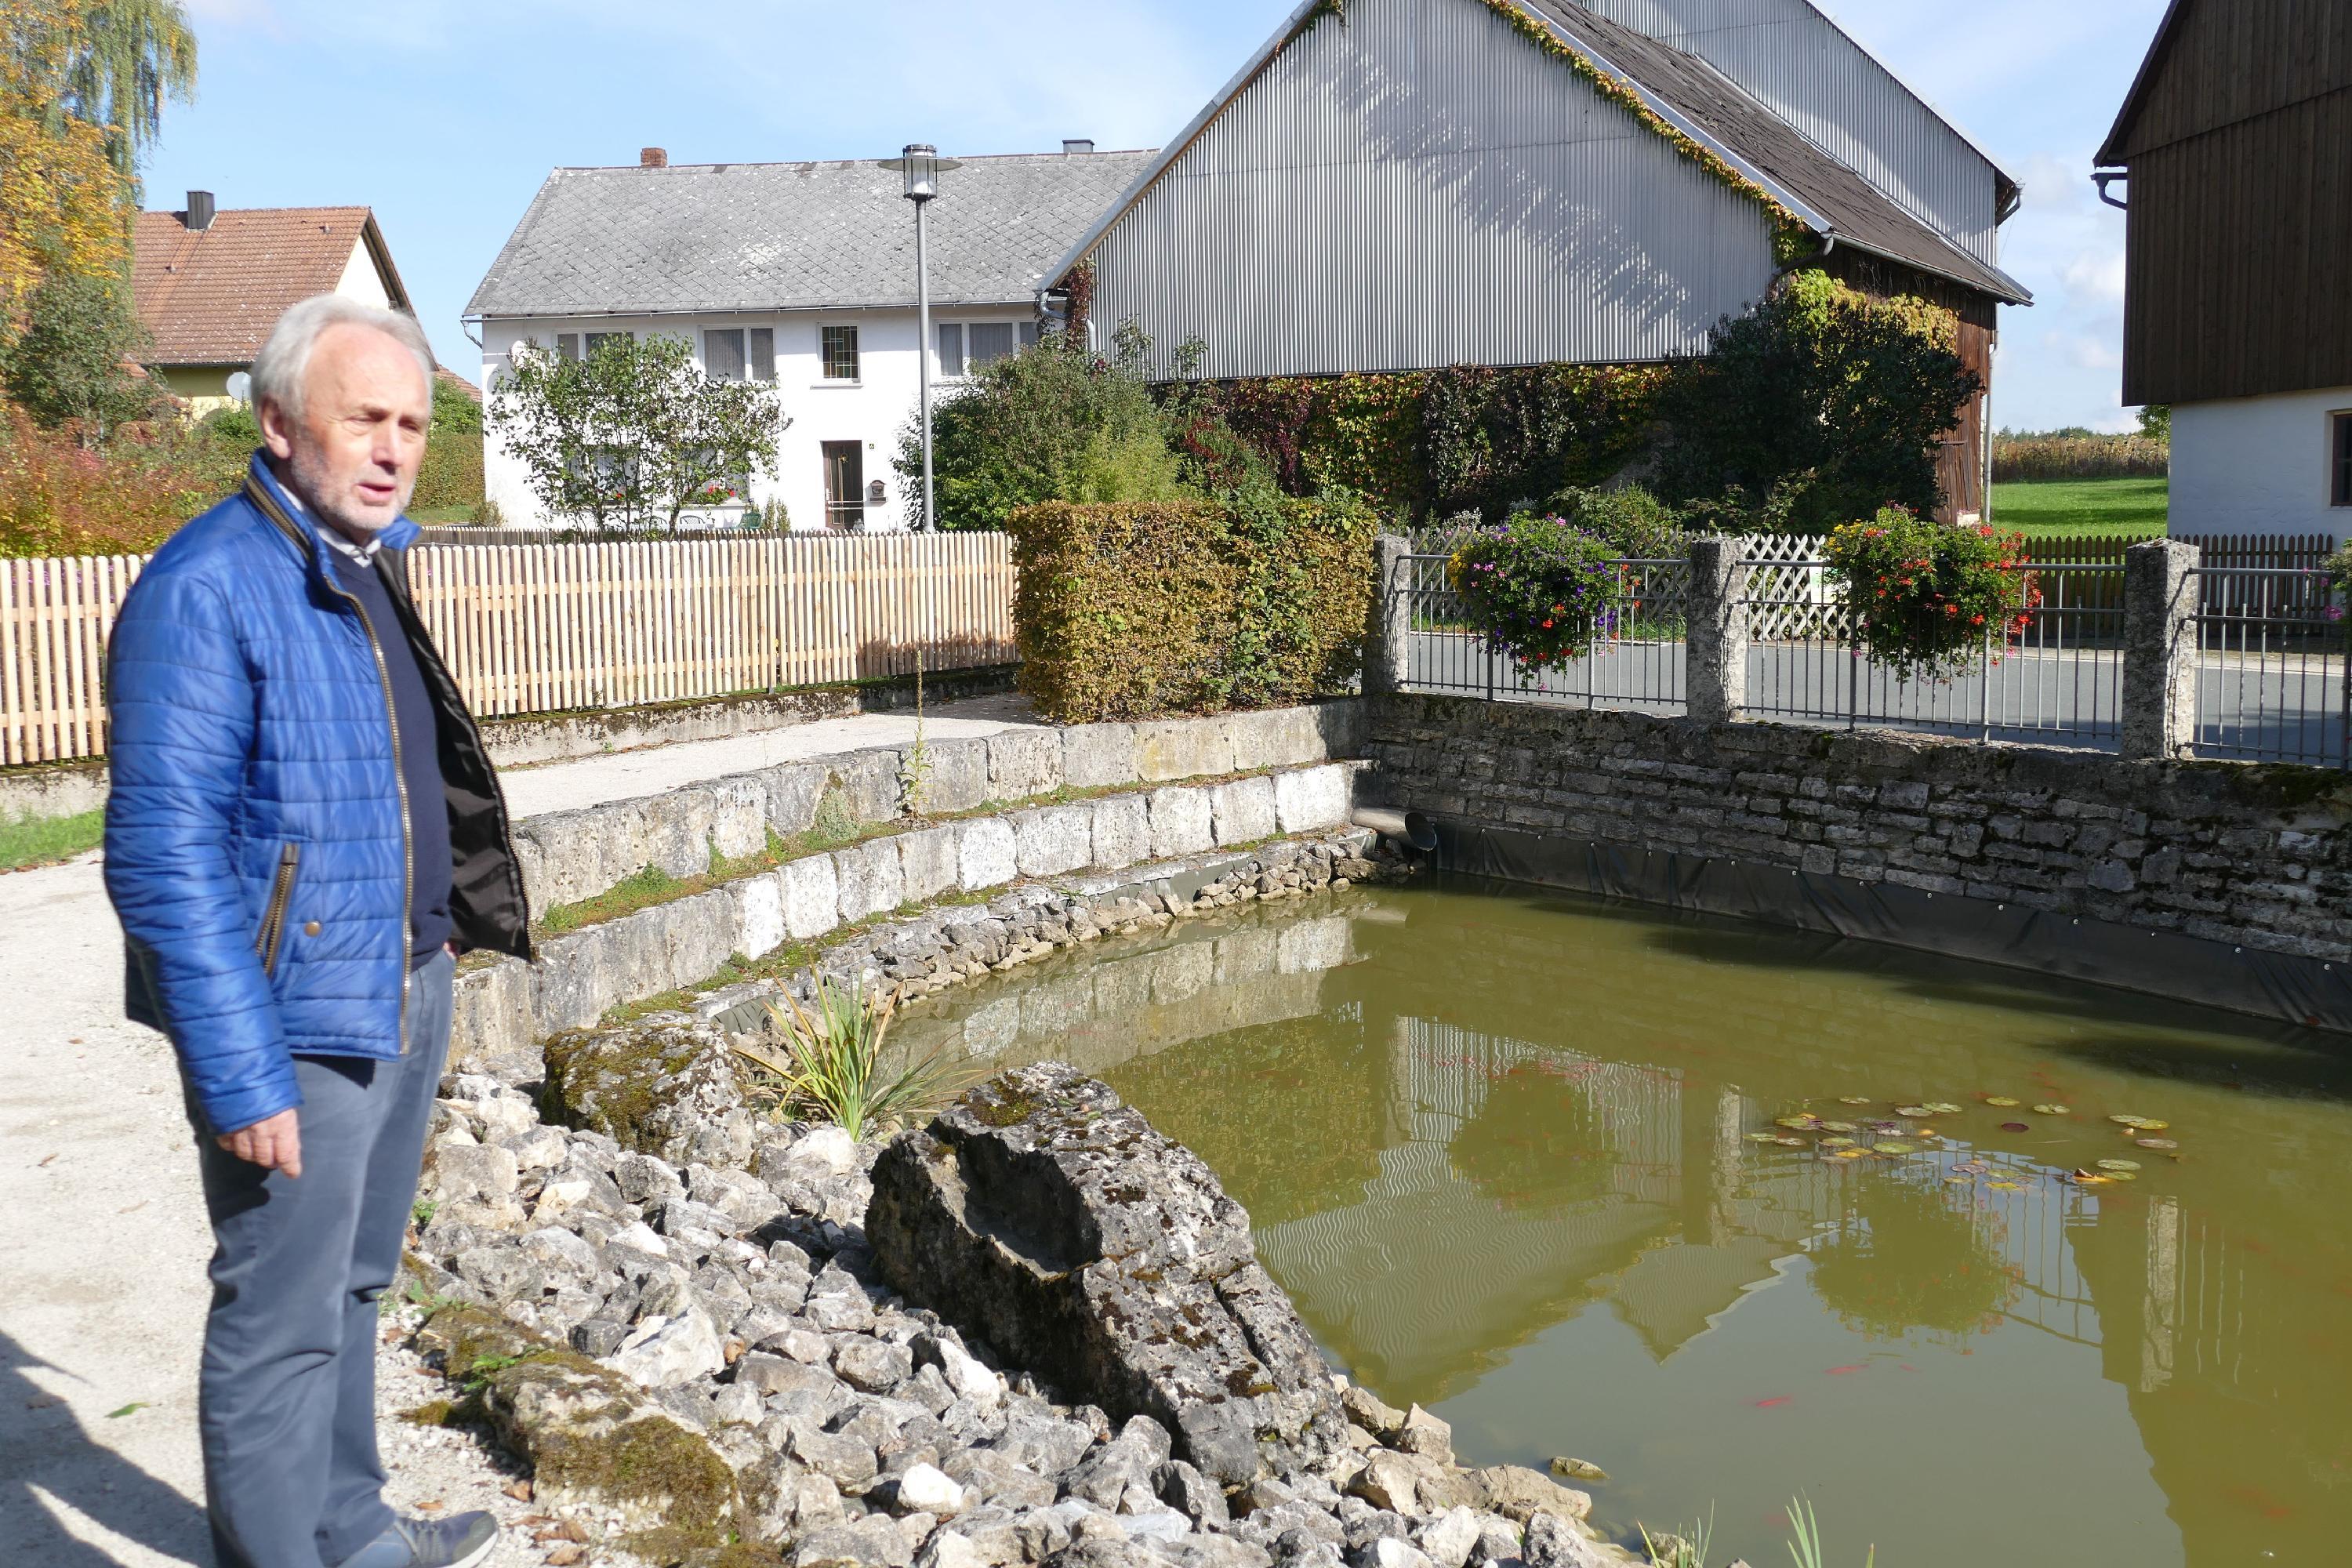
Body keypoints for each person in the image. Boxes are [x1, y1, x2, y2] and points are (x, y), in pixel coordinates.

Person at [104, 295, 532, 1568]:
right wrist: (238, 1069)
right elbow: (162, 857)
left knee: (354, 1283)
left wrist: (439, 931)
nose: (394, 449)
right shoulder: (208, 585)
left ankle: (353, 1532)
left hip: (398, 981)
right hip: (292, 1022)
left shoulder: (357, 562)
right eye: (365, 419)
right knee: (281, 1314)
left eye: (413, 424)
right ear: (281, 424)